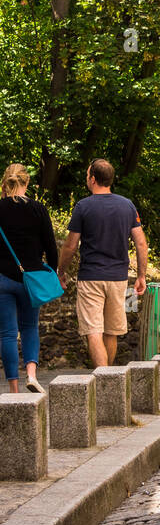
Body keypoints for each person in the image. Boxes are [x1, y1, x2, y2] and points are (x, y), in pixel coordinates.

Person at [57, 159, 148, 370]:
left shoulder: (83, 206)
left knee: (93, 331)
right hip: (118, 278)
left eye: (88, 175)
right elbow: (141, 242)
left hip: (91, 277)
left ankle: (103, 380)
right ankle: (110, 381)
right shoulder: (127, 205)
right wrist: (141, 276)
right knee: (111, 332)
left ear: (93, 179)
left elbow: (70, 246)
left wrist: (61, 271)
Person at [0, 163, 58, 395]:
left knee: (6, 333)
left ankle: (13, 389)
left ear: (5, 183)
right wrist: (51, 273)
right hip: (31, 279)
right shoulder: (38, 209)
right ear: (26, 183)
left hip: (3, 279)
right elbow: (51, 248)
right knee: (29, 327)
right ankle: (32, 375)